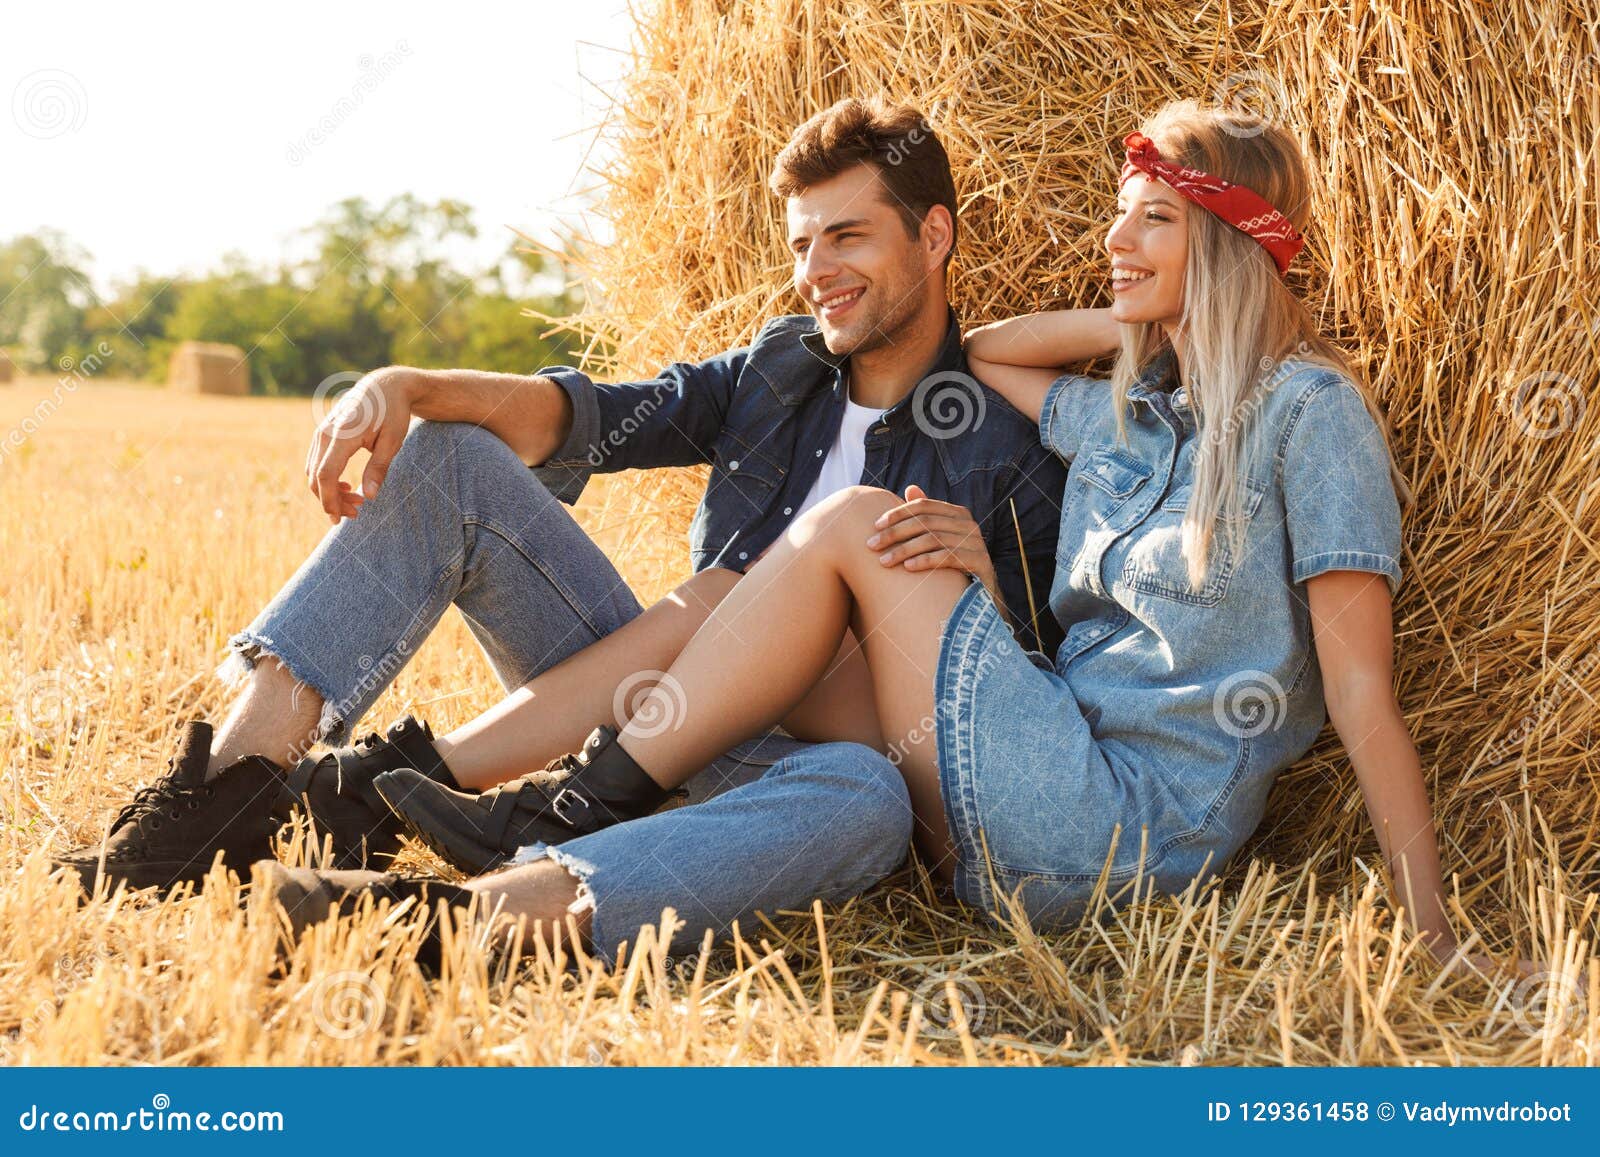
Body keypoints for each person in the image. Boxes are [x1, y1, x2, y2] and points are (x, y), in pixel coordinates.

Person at [258, 98, 1545, 987]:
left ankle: (566, 804)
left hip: (1129, 829)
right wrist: (1144, 328)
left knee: (857, 530)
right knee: (816, 687)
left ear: (1232, 238)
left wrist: (1427, 927)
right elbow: (985, 351)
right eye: (1118, 215)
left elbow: (1364, 697)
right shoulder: (1123, 420)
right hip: (1017, 777)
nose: (1112, 242)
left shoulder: (1309, 416)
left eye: (1152, 219)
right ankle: (482, 883)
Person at [55, 99, 1076, 956]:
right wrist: (411, 383)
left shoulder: (1004, 442)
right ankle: (227, 796)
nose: (817, 271)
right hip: (644, 698)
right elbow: (583, 416)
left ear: (932, 235)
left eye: (847, 235)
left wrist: (985, 583)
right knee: (451, 453)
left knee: (862, 797)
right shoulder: (780, 367)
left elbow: (1031, 726)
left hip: (801, 772)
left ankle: (483, 912)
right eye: (803, 243)